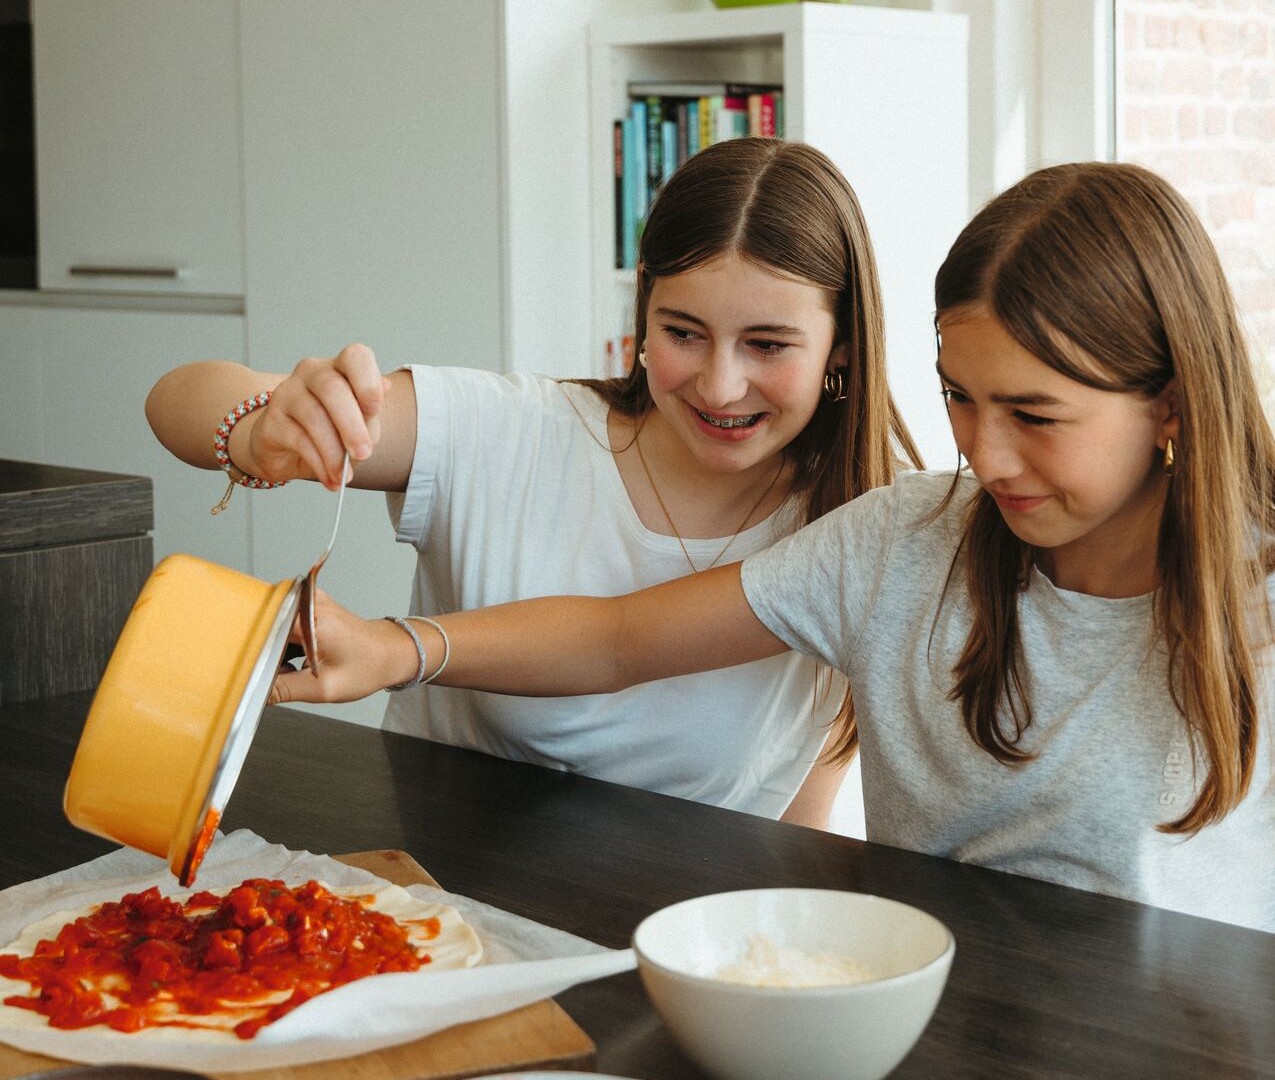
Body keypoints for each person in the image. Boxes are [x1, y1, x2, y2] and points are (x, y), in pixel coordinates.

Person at [272, 161, 1275, 932]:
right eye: (959, 398)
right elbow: (618, 637)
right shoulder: (902, 539)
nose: (985, 452)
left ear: (1170, 404)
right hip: (925, 1014)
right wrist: (396, 648)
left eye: (1035, 414)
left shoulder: (1259, 600)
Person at [145, 137, 923, 829]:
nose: (720, 386)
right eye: (683, 332)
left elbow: (799, 829)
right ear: (642, 306)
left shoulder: (863, 519)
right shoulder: (509, 431)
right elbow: (176, 400)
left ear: (841, 344)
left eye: (767, 345)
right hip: (430, 896)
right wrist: (258, 429)